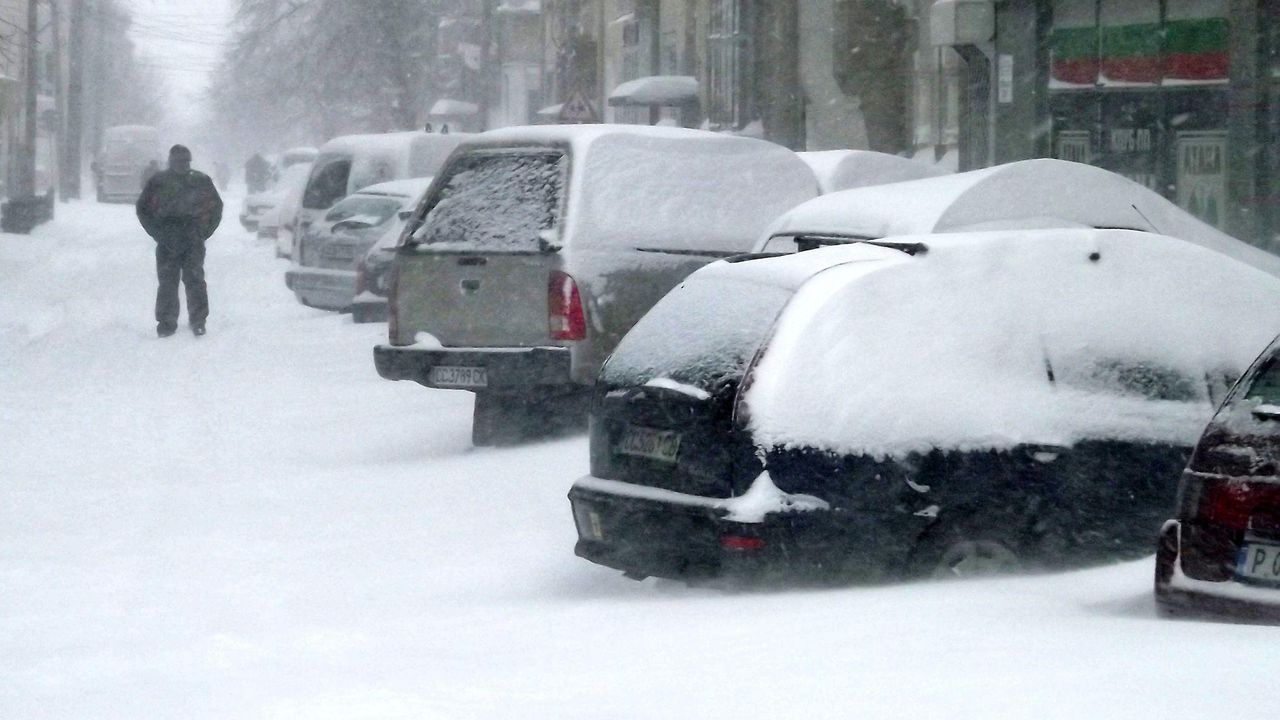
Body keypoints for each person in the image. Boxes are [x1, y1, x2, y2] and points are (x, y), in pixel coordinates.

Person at [136, 144, 223, 338]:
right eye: (179, 161)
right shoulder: (158, 182)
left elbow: (216, 207)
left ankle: (198, 320)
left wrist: (203, 232)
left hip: (191, 235)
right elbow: (143, 209)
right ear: (171, 162)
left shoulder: (200, 180)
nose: (182, 165)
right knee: (169, 281)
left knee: (194, 279)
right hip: (169, 236)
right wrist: (157, 232)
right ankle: (167, 322)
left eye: (185, 161)